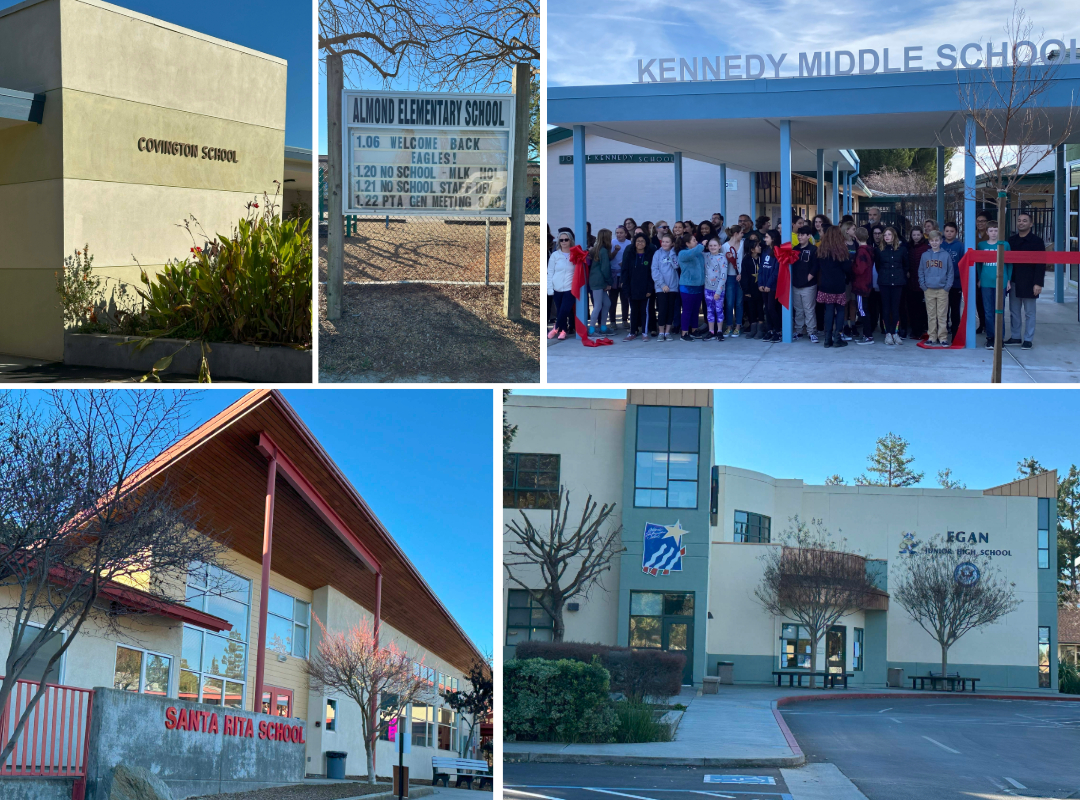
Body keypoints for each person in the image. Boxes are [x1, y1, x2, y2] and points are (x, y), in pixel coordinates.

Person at [1007, 211, 1045, 349]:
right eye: (1019, 220)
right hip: (1014, 281)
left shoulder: (1037, 241)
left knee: (1029, 313)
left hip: (1030, 282)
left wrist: (1038, 283)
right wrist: (1007, 280)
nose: (1021, 223)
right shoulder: (1011, 241)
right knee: (1014, 311)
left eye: (1024, 220)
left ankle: (1028, 339)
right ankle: (1016, 337)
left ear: (1031, 224)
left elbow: (1041, 264)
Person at [815, 226, 854, 348]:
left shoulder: (821, 250)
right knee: (841, 310)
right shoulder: (842, 250)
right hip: (838, 284)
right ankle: (837, 337)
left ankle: (827, 339)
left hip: (825, 284)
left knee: (829, 310)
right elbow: (847, 268)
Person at [976, 223, 1012, 350]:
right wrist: (980, 278)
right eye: (991, 230)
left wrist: (1008, 280)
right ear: (987, 231)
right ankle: (990, 338)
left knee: (1000, 311)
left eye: (996, 230)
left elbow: (1009, 263)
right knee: (988, 311)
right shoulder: (981, 245)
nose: (993, 233)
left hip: (1001, 281)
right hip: (986, 282)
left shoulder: (1005, 245)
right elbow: (979, 264)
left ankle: (1000, 338)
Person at [918, 230, 954, 346]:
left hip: (942, 289)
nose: (934, 243)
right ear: (929, 242)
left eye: (936, 240)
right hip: (929, 289)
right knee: (931, 314)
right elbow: (921, 271)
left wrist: (947, 287)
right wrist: (923, 286)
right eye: (932, 241)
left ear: (941, 241)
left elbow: (950, 272)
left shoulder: (945, 255)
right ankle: (932, 336)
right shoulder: (925, 255)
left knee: (942, 315)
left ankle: (943, 337)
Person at [876, 226, 908, 345]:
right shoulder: (879, 250)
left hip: (898, 282)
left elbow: (906, 265)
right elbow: (878, 265)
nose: (887, 237)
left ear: (894, 236)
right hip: (884, 282)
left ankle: (895, 332)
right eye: (885, 235)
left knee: (895, 308)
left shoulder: (902, 249)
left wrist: (899, 275)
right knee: (886, 308)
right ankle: (887, 333)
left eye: (889, 234)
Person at [623, 233, 655, 342]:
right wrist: (626, 289)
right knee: (633, 311)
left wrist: (650, 289)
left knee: (644, 311)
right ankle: (632, 332)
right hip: (632, 289)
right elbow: (625, 273)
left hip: (645, 290)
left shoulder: (650, 256)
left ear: (646, 243)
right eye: (638, 241)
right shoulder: (629, 255)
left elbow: (652, 274)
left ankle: (645, 333)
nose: (640, 243)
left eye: (642, 241)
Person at [547, 228, 576, 340]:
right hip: (557, 288)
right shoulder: (555, 255)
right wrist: (549, 288)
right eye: (561, 240)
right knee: (560, 310)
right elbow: (550, 272)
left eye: (566, 240)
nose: (563, 242)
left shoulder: (574, 255)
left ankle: (555, 328)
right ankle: (563, 331)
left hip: (570, 288)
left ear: (570, 241)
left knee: (565, 310)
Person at [792, 224, 819, 342]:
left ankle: (811, 331)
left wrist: (808, 278)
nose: (799, 237)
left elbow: (815, 266)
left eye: (802, 235)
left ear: (808, 236)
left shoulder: (814, 250)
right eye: (798, 235)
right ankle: (798, 331)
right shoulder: (795, 249)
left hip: (809, 285)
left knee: (809, 309)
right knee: (798, 309)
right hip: (796, 284)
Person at [676, 233, 706, 342]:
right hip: (687, 286)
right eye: (693, 240)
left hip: (699, 285)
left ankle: (694, 330)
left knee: (695, 310)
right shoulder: (683, 253)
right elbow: (693, 252)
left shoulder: (698, 253)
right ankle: (684, 333)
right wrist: (701, 245)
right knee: (687, 310)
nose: (696, 242)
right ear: (687, 243)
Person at [651, 233, 680, 341]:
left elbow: (676, 265)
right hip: (661, 287)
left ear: (672, 243)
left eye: (667, 242)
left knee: (670, 310)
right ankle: (661, 332)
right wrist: (662, 285)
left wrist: (672, 254)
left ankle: (667, 332)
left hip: (673, 286)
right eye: (663, 241)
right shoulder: (657, 254)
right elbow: (655, 270)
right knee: (662, 309)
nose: (664, 244)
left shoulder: (674, 253)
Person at [939, 222, 965, 337]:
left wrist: (954, 275)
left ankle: (955, 333)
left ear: (956, 232)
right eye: (947, 231)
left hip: (955, 283)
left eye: (952, 231)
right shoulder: (940, 245)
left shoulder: (960, 246)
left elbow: (963, 263)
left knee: (955, 309)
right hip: (941, 284)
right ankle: (943, 333)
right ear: (943, 232)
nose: (949, 233)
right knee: (943, 310)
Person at [904, 227, 930, 340]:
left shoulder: (926, 248)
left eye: (918, 235)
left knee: (922, 308)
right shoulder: (908, 247)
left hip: (923, 282)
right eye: (913, 235)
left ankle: (922, 330)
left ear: (922, 235)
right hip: (910, 282)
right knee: (912, 307)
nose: (916, 237)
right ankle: (914, 330)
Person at [587, 228, 615, 334]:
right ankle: (592, 329)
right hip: (598, 281)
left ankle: (603, 327)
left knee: (607, 303)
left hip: (598, 280)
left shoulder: (597, 249)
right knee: (598, 305)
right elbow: (605, 268)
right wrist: (609, 282)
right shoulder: (603, 251)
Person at [852, 227, 875, 344]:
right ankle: (868, 334)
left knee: (862, 310)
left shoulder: (861, 251)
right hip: (868, 283)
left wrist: (851, 266)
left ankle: (868, 336)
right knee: (865, 309)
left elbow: (859, 269)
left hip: (861, 285)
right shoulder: (870, 249)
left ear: (856, 237)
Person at [758, 231, 782, 342]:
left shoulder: (778, 251)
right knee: (766, 309)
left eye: (766, 237)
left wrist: (769, 284)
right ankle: (770, 330)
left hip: (773, 286)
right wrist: (761, 283)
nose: (764, 239)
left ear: (773, 238)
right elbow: (762, 268)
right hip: (764, 286)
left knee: (772, 308)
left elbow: (777, 271)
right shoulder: (765, 251)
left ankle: (778, 331)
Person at [703, 237, 727, 341]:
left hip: (718, 289)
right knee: (710, 310)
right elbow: (696, 251)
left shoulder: (722, 258)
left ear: (719, 246)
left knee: (719, 310)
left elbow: (723, 276)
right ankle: (711, 331)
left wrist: (718, 291)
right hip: (707, 288)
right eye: (710, 245)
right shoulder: (705, 256)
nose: (712, 247)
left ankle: (720, 331)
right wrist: (702, 244)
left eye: (715, 245)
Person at [722, 226, 744, 337]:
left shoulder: (743, 244)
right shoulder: (724, 246)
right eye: (741, 233)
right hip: (729, 277)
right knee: (729, 302)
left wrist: (742, 274)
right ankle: (729, 326)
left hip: (741, 276)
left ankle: (738, 326)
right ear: (735, 233)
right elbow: (722, 262)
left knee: (739, 302)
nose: (742, 235)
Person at [741, 237, 764, 339]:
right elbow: (744, 276)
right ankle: (753, 329)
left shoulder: (762, 258)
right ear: (752, 249)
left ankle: (760, 329)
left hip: (761, 289)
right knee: (751, 309)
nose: (760, 247)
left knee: (760, 309)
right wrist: (746, 290)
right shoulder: (746, 260)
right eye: (757, 246)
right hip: (750, 289)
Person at [610, 226, 632, 329]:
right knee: (613, 299)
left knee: (625, 299)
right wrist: (615, 251)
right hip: (613, 274)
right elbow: (609, 257)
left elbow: (632, 256)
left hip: (624, 274)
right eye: (617, 233)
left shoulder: (629, 243)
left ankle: (624, 320)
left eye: (621, 233)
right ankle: (613, 321)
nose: (619, 235)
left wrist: (625, 263)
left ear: (625, 234)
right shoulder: (612, 243)